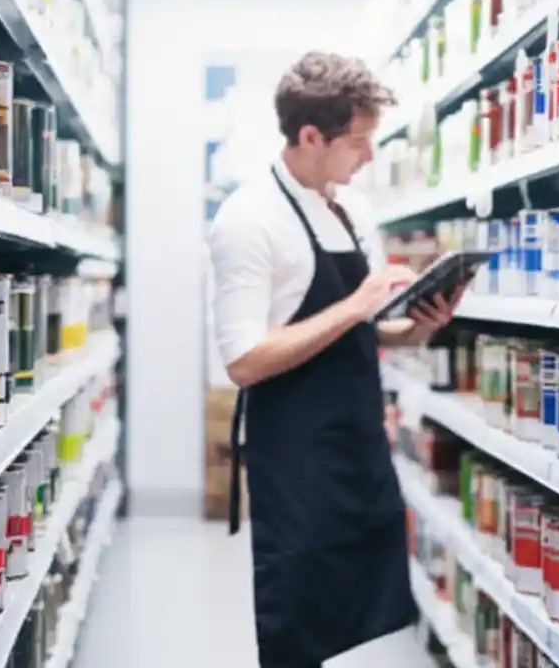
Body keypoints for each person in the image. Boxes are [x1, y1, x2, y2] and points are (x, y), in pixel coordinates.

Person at [208, 51, 465, 668]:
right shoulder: (247, 220)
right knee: (296, 620)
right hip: (295, 452)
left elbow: (363, 332)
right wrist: (356, 306)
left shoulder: (354, 211)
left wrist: (414, 328)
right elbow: (243, 362)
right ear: (310, 136)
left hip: (355, 440)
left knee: (351, 611)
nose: (370, 157)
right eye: (359, 142)